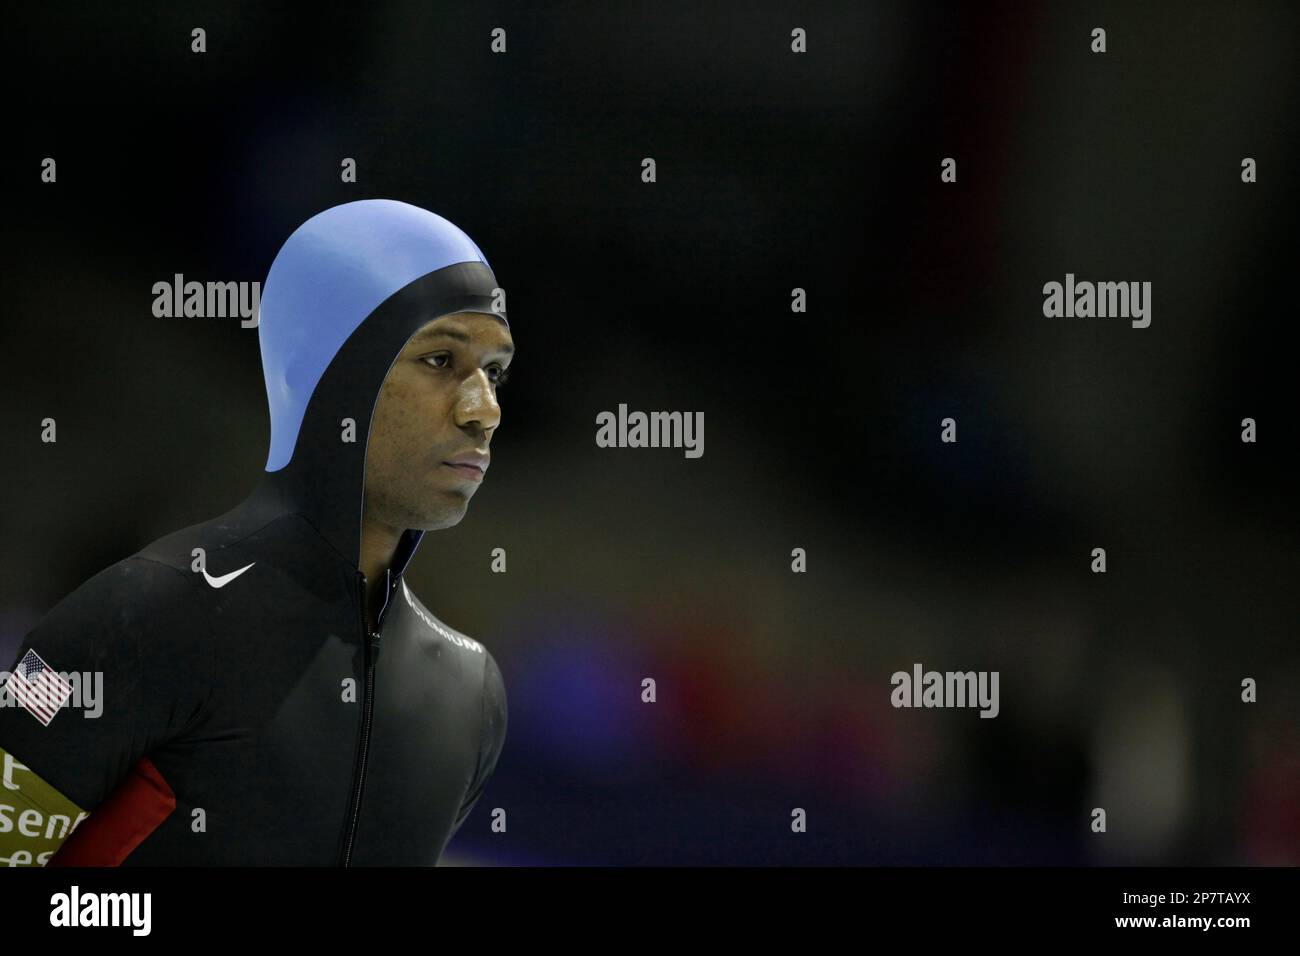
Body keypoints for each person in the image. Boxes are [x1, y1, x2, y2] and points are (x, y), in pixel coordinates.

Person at [0, 199, 512, 866]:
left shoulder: (471, 694)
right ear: (321, 368)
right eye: (442, 359)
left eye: (495, 371)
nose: (486, 411)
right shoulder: (143, 616)